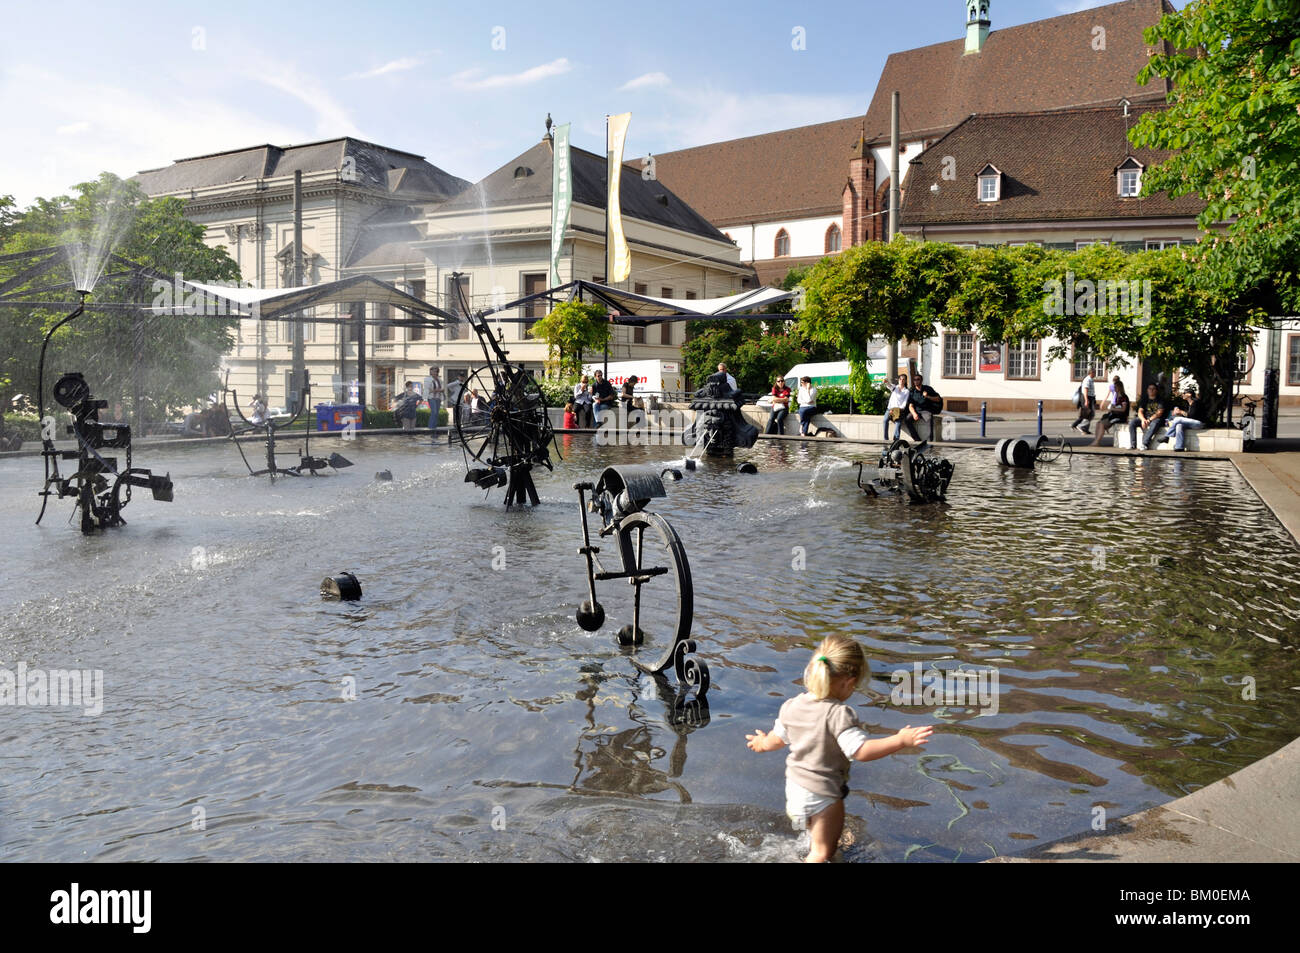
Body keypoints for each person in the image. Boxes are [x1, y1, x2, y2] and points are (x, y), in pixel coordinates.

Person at [746, 634, 933, 863]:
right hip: (822, 794)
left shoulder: (791, 706)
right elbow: (860, 750)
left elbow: (775, 740)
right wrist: (900, 741)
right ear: (850, 682)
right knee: (821, 853)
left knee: (820, 843)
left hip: (794, 790)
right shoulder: (838, 714)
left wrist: (760, 742)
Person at [1129, 382, 1171, 450]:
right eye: (1149, 389)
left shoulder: (1160, 400)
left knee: (1155, 423)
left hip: (1156, 419)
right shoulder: (1144, 399)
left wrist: (1149, 420)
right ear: (1147, 390)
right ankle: (1133, 445)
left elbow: (1159, 413)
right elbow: (1140, 411)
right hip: (1145, 418)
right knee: (1132, 422)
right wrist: (1143, 420)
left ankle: (1145, 444)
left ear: (1156, 390)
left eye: (1153, 389)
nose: (1151, 390)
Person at [1165, 385, 1207, 452]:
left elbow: (1192, 416)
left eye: (1184, 393)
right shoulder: (1188, 404)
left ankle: (1167, 436)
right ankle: (1179, 447)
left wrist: (1181, 412)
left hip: (1199, 423)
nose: (1183, 394)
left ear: (1189, 394)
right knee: (1179, 425)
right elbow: (1187, 416)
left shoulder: (1196, 402)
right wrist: (1179, 412)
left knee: (1177, 419)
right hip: (1192, 423)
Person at [1091, 376, 1130, 446]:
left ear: (1119, 388)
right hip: (1114, 415)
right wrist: (1113, 407)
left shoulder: (1123, 397)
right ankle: (1096, 441)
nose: (1114, 389)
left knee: (1102, 424)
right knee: (1098, 423)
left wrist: (1113, 408)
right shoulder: (1118, 396)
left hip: (1120, 417)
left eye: (1115, 387)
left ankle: (1097, 442)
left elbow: (1123, 409)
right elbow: (1117, 407)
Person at [908, 373, 942, 441]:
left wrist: (927, 396)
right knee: (907, 419)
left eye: (918, 379)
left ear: (921, 380)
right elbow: (910, 406)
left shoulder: (928, 389)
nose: (916, 381)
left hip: (926, 411)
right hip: (917, 411)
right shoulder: (912, 391)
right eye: (914, 380)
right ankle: (917, 439)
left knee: (929, 423)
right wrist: (914, 414)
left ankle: (930, 441)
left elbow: (938, 399)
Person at [885, 374, 912, 441]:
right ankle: (885, 439)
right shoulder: (895, 388)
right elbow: (889, 386)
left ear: (905, 381)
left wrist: (898, 410)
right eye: (900, 379)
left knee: (898, 423)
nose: (901, 381)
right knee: (885, 420)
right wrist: (886, 382)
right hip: (890, 409)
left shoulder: (906, 391)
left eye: (903, 379)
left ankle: (896, 439)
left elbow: (904, 403)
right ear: (898, 380)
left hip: (898, 410)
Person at [426, 368, 443, 432]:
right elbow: (428, 390)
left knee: (436, 413)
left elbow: (442, 388)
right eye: (431, 372)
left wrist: (439, 390)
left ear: (436, 372)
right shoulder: (428, 380)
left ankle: (434, 427)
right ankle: (430, 427)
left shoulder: (439, 380)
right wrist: (436, 390)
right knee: (434, 412)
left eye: (433, 372)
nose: (432, 373)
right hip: (431, 398)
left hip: (438, 398)